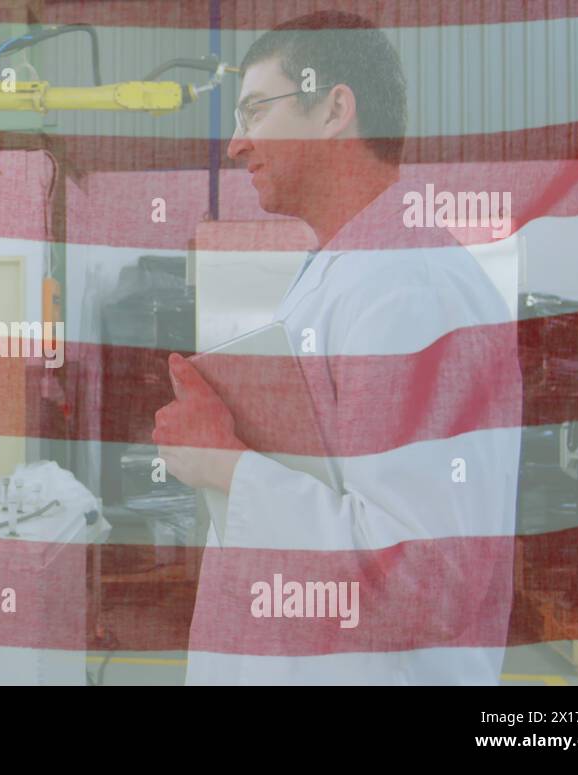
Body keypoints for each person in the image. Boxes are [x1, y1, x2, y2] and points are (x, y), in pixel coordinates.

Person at [153, 11, 521, 684]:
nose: (235, 145)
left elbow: (426, 578)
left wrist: (226, 467)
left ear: (334, 109)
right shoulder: (351, 270)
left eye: (257, 110)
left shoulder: (407, 288)